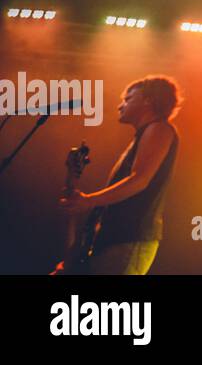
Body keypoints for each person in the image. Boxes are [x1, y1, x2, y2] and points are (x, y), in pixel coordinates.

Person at [57, 75, 181, 274]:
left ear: (148, 100)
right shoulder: (142, 136)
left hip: (129, 238)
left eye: (128, 99)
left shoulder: (159, 128)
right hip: (115, 239)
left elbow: (140, 180)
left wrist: (89, 201)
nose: (120, 106)